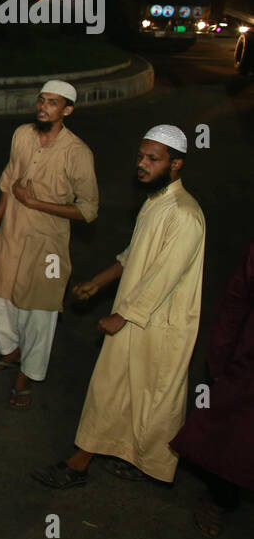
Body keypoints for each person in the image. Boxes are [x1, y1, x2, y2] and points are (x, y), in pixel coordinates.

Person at [32, 126, 205, 488]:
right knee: (120, 391)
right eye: (141, 157)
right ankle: (121, 460)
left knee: (150, 399)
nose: (141, 165)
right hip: (140, 316)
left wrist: (123, 315)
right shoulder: (156, 202)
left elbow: (165, 275)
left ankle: (84, 464)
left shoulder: (185, 215)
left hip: (159, 323)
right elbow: (134, 256)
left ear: (176, 164)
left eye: (152, 159)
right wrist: (99, 283)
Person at [0, 80, 99, 408]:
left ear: (67, 110)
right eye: (42, 100)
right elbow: (9, 180)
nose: (43, 107)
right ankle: (12, 352)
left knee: (39, 309)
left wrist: (35, 204)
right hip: (11, 232)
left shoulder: (78, 153)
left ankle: (27, 375)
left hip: (47, 245)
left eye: (53, 103)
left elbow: (88, 210)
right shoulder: (22, 134)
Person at [171, 237, 254, 536]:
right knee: (234, 443)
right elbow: (236, 298)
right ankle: (221, 499)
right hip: (248, 369)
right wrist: (220, 354)